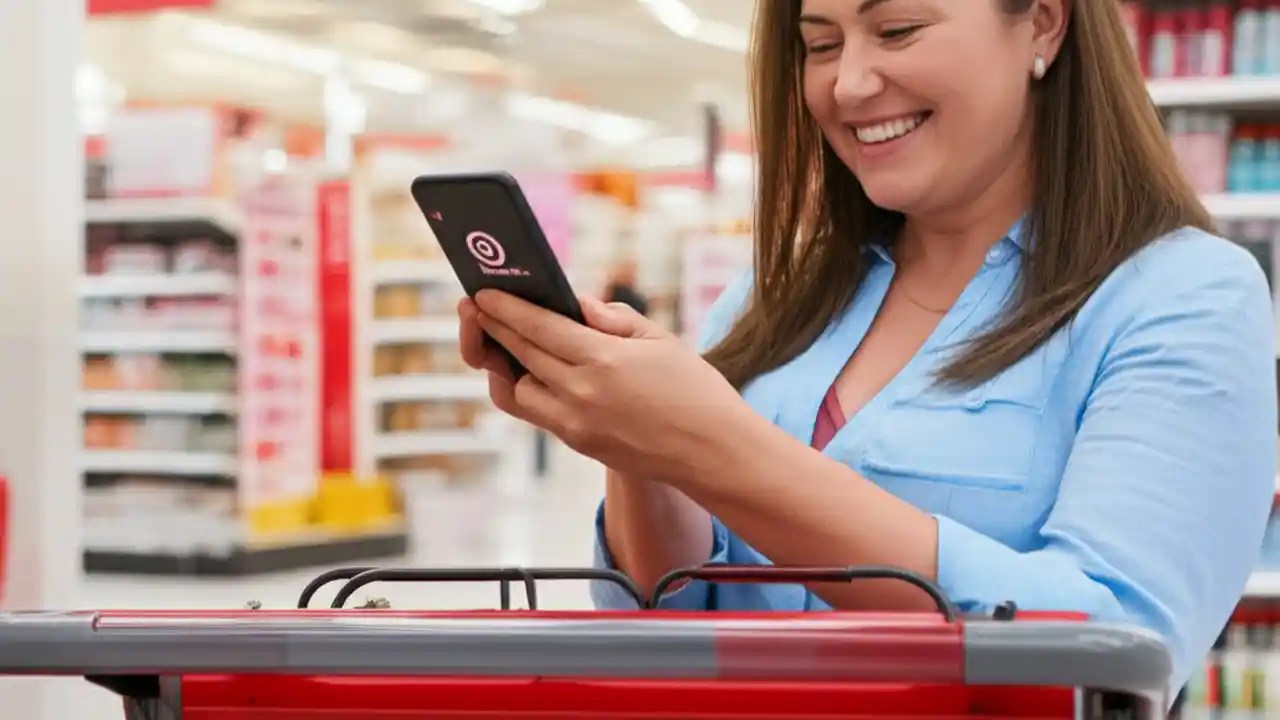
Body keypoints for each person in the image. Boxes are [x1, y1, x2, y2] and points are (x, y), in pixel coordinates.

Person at [456, 0, 1277, 697]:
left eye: (897, 29)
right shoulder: (771, 299)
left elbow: (1117, 655)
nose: (847, 84)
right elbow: (673, 616)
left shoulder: (1181, 297)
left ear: (1045, 25)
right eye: (820, 44)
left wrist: (713, 450)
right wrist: (638, 448)